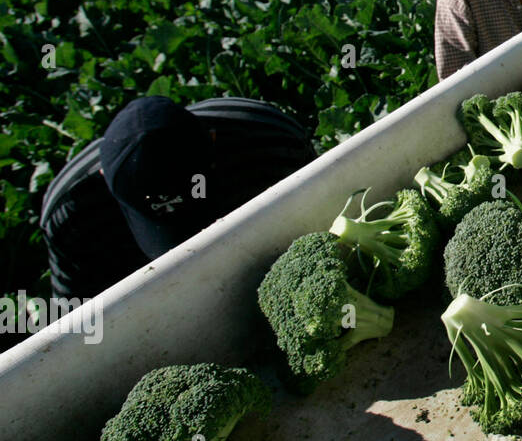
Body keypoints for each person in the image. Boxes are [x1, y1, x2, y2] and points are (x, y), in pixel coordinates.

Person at [40, 96, 316, 299]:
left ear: (213, 141)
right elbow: (75, 317)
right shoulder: (71, 215)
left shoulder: (270, 141)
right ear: (103, 177)